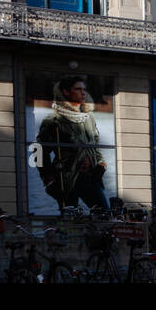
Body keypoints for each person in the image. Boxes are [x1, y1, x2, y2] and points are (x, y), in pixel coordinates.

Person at [35, 75, 110, 213]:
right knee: (69, 221)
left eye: (84, 89)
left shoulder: (88, 118)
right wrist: (49, 180)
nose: (83, 93)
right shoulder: (53, 120)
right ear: (66, 92)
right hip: (66, 180)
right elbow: (39, 151)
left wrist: (101, 164)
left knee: (104, 215)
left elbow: (95, 145)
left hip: (91, 178)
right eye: (78, 89)